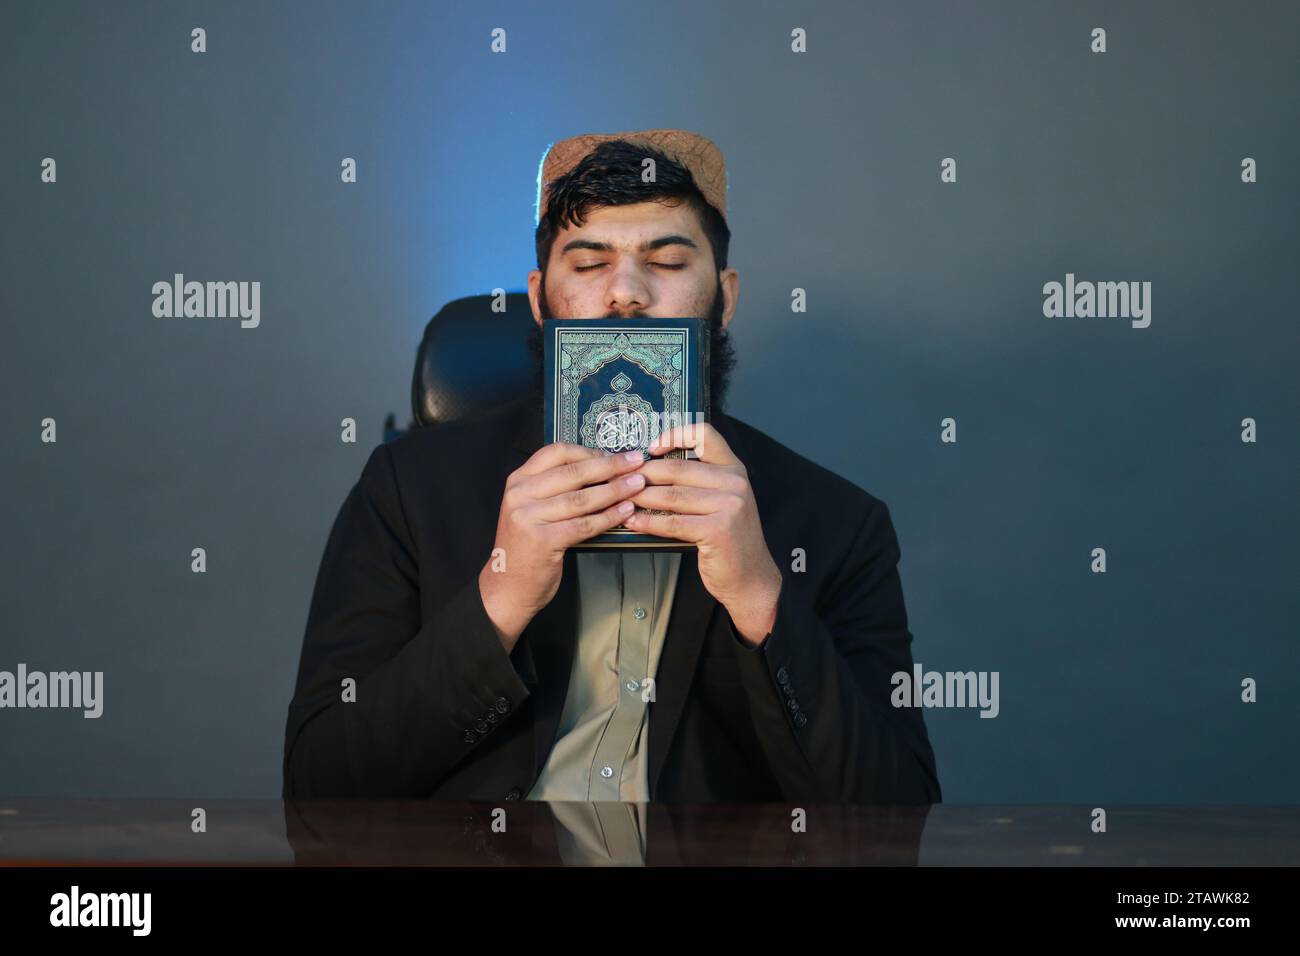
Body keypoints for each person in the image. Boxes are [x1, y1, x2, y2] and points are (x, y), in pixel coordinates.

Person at [283, 128, 941, 805]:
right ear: (541, 302)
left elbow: (898, 814)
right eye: (590, 262)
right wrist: (501, 598)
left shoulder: (838, 522)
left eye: (668, 260)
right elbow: (319, 785)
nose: (626, 293)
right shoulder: (406, 492)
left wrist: (759, 597)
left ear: (725, 297)